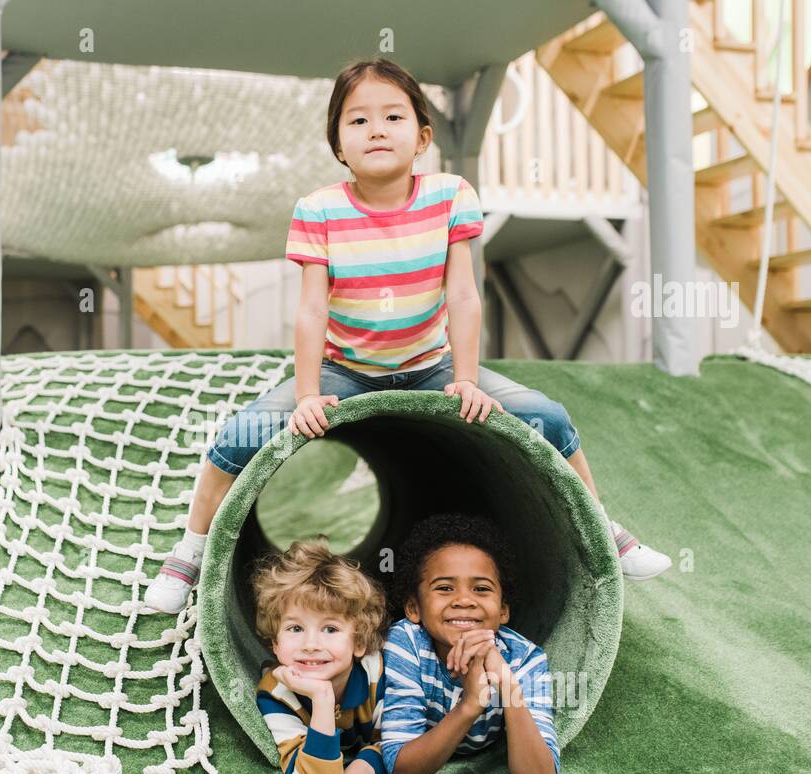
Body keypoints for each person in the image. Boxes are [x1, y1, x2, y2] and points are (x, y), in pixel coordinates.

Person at [143, 55, 669, 615]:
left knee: (551, 416)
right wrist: (305, 395)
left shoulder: (448, 196)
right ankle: (190, 552)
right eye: (358, 120)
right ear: (339, 145)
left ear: (421, 137)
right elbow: (311, 310)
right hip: (345, 371)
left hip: (432, 365)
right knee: (239, 434)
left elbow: (464, 295)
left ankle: (603, 531)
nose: (376, 129)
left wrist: (466, 380)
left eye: (393, 117)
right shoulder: (318, 211)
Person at [379, 513, 559, 774]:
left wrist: (508, 685)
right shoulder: (407, 642)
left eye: (481, 589)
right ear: (414, 608)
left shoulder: (525, 659)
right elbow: (403, 773)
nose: (464, 600)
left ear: (503, 611)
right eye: (445, 588)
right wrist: (471, 704)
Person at [252, 539, 388, 774]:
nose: (311, 644)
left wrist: (363, 766)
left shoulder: (378, 674)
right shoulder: (276, 694)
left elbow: (400, 742)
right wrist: (322, 699)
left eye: (330, 629)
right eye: (295, 629)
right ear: (275, 645)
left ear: (359, 643)